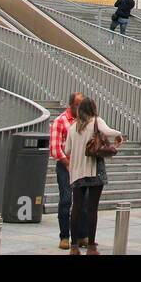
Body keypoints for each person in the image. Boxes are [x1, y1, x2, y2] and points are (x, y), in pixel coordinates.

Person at [63, 97, 123, 255]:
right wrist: (119, 135)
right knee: (92, 209)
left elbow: (67, 150)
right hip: (94, 170)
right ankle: (91, 246)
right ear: (93, 109)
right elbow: (108, 132)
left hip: (76, 172)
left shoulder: (73, 127)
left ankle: (74, 246)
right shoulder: (96, 121)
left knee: (76, 208)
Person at [48, 92, 83, 250]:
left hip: (82, 166)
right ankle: (64, 236)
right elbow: (55, 148)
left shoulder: (84, 120)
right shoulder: (60, 121)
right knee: (66, 200)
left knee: (83, 201)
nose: (80, 108)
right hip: (65, 165)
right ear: (71, 105)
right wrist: (67, 163)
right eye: (78, 105)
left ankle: (82, 235)